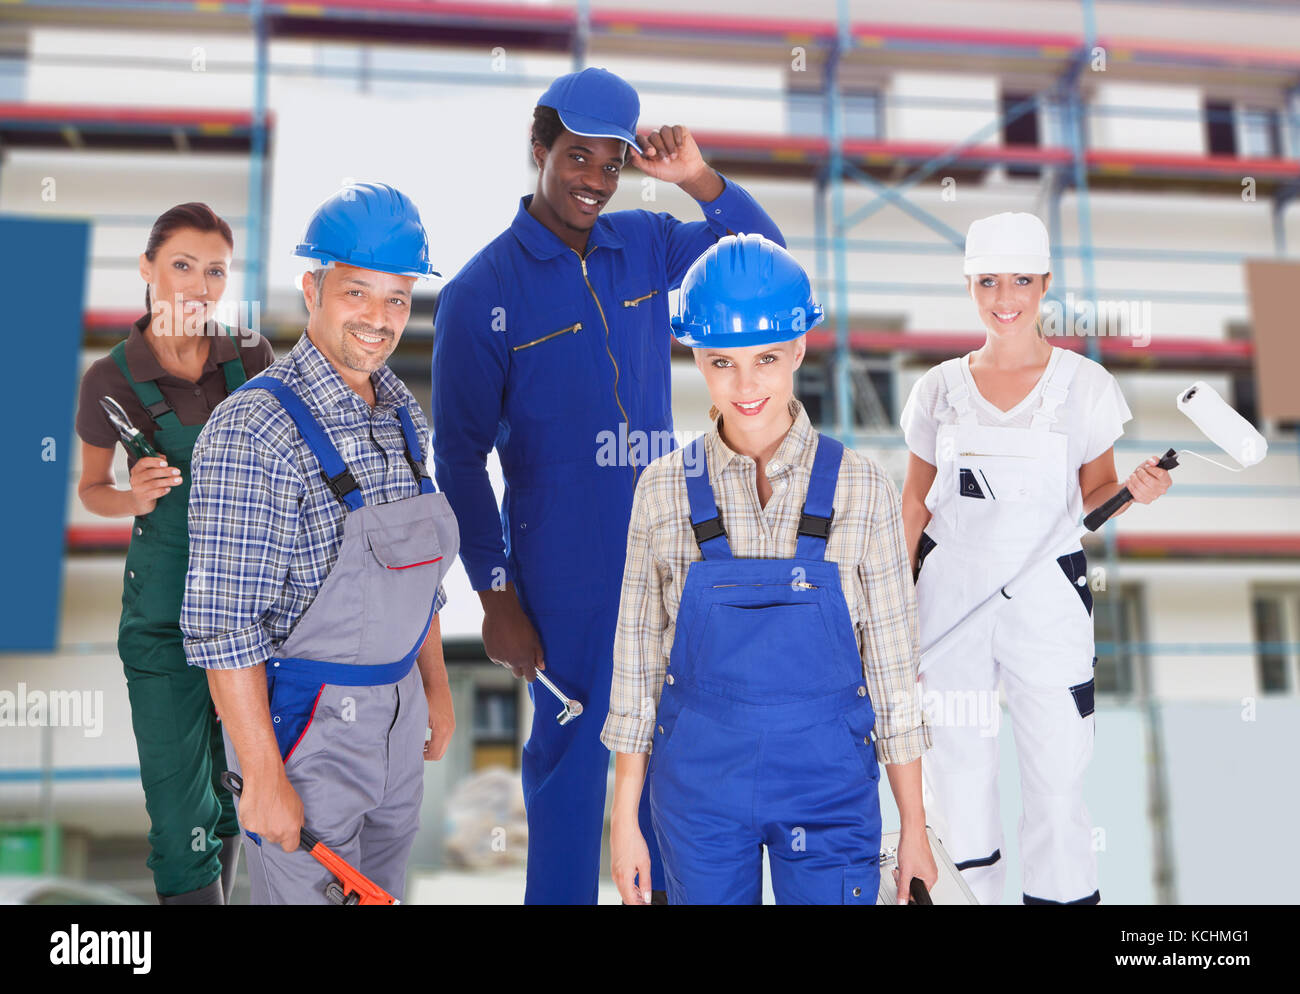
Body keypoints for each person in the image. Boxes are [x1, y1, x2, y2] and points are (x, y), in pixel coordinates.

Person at [431, 67, 786, 904]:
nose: (594, 178)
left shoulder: (645, 244)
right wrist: (494, 594)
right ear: (539, 149)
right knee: (570, 778)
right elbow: (458, 458)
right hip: (565, 578)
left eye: (612, 161)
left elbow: (762, 257)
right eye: (577, 156)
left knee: (675, 766)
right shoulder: (483, 293)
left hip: (673, 554)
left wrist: (696, 178)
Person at [604, 234, 936, 905]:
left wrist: (915, 830)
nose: (745, 385)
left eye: (767, 359)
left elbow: (894, 673)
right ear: (694, 354)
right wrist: (624, 820)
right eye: (721, 361)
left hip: (829, 787)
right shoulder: (663, 490)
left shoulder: (863, 488)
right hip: (697, 788)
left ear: (799, 348)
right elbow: (636, 666)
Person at [181, 182, 458, 905]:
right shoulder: (256, 430)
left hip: (399, 717)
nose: (378, 319)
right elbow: (223, 627)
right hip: (311, 732)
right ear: (313, 289)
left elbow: (417, 579)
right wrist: (264, 776)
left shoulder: (401, 415)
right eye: (356, 293)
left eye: (396, 298)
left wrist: (434, 685)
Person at [899, 211, 1171, 905]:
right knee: (956, 771)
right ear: (969, 286)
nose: (1005, 296)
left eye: (1021, 279)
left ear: (1046, 283)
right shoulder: (937, 390)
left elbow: (1096, 495)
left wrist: (1135, 492)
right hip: (949, 599)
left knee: (1055, 773)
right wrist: (893, 606)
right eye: (988, 281)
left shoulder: (1084, 386)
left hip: (1048, 598)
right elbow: (914, 504)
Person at [75, 203, 275, 905]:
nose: (198, 283)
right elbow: (92, 489)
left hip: (244, 615)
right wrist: (132, 496)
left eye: (215, 269)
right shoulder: (110, 380)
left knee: (230, 795)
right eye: (182, 265)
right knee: (177, 813)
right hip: (162, 621)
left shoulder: (249, 355)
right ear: (148, 269)